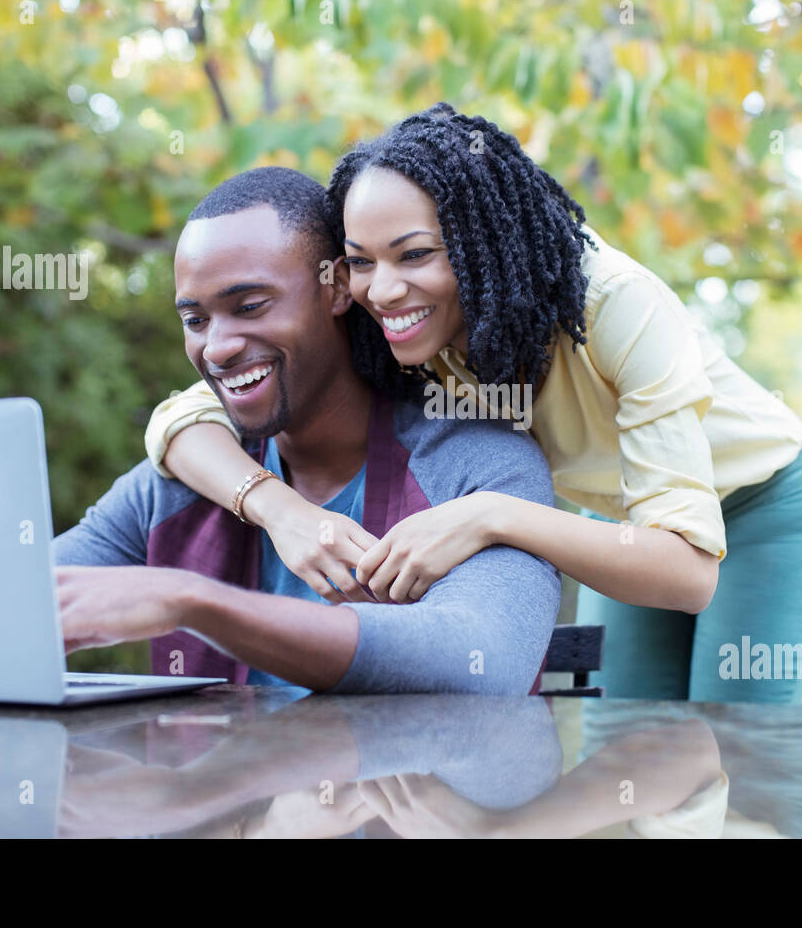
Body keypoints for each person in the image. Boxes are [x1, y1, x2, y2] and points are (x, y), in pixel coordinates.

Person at [141, 104, 802, 703]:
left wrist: (489, 515)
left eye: (415, 254)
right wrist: (276, 507)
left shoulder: (613, 304)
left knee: (743, 756)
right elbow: (182, 417)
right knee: (635, 752)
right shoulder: (393, 317)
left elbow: (687, 574)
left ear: (481, 247)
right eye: (360, 260)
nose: (381, 290)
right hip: (628, 514)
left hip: (755, 505)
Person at [51, 166, 560, 695]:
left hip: (407, 780)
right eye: (195, 321)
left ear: (337, 286)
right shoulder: (179, 485)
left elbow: (486, 663)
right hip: (223, 778)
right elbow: (12, 605)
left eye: (249, 307)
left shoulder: (478, 463)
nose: (218, 347)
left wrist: (196, 602)